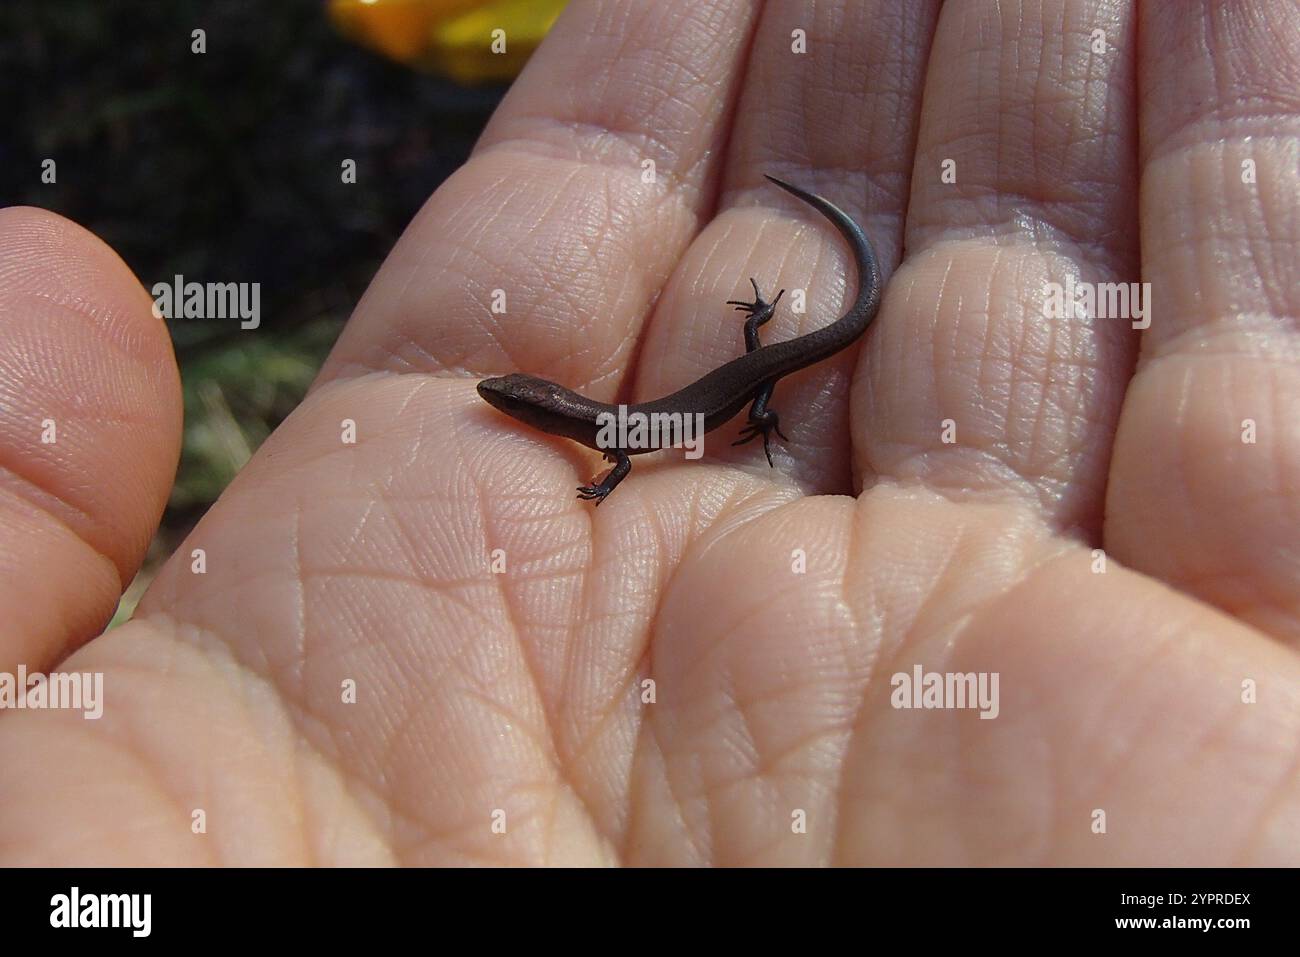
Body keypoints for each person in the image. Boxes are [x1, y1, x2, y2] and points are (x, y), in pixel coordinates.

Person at [1, 0, 1297, 865]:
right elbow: (612, 442)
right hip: (731, 386)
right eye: (519, 407)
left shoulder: (618, 440)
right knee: (754, 370)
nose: (516, 410)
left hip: (746, 382)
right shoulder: (603, 428)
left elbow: (621, 455)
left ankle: (803, 331)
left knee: (769, 366)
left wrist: (625, 483)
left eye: (519, 405)